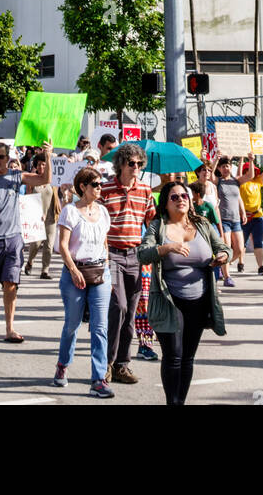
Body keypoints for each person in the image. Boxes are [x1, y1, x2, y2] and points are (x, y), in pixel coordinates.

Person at [138, 182, 228, 405]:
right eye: (174, 197)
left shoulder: (203, 225)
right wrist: (166, 248)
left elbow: (224, 248)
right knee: (174, 356)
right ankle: (172, 403)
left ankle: (180, 402)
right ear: (165, 204)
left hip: (200, 299)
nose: (181, 200)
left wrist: (224, 257)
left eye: (184, 196)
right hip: (170, 300)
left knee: (188, 358)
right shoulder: (158, 226)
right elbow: (142, 254)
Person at [0, 138, 52, 341]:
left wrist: (49, 155)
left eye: (1, 157)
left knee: (10, 282)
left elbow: (44, 180)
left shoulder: (17, 176)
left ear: (7, 158)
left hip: (14, 238)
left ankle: (10, 328)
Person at [53, 166, 114, 397]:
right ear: (83, 187)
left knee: (100, 327)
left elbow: (105, 242)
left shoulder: (103, 212)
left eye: (101, 184)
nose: (100, 188)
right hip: (74, 274)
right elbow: (63, 246)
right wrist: (73, 270)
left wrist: (106, 265)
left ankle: (98, 378)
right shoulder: (70, 211)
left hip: (100, 273)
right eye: (95, 185)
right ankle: (62, 365)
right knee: (72, 324)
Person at [101, 141, 156, 384]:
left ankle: (123, 364)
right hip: (112, 254)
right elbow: (97, 223)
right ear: (120, 164)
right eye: (131, 163)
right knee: (119, 307)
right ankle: (106, 364)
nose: (136, 167)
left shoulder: (145, 190)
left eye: (139, 164)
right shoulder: (104, 189)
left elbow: (153, 223)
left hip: (136, 255)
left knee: (132, 312)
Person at [239, 148, 263, 275]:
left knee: (259, 241)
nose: (254, 172)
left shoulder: (258, 182)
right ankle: (240, 262)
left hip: (258, 216)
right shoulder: (241, 183)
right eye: (250, 170)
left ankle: (261, 267)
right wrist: (244, 159)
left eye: (255, 170)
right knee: (241, 242)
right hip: (244, 216)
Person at [214, 157, 247, 285]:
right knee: (226, 247)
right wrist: (216, 159)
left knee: (239, 249)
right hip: (224, 219)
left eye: (227, 166)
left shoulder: (236, 181)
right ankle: (227, 277)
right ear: (219, 169)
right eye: (222, 166)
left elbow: (238, 197)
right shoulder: (218, 182)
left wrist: (247, 160)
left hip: (236, 219)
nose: (225, 168)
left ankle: (222, 264)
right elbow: (211, 176)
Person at [24, 181, 58, 280]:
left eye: (44, 164)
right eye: (39, 164)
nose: (42, 167)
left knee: (49, 245)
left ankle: (45, 270)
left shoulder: (53, 181)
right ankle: (30, 262)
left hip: (51, 218)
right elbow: (28, 199)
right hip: (37, 218)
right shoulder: (33, 180)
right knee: (36, 244)